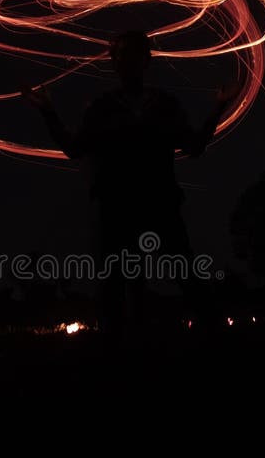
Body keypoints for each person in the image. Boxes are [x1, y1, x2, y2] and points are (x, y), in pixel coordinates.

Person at [22, 29, 237, 351]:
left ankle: (218, 344)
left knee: (186, 275)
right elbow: (74, 147)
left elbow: (193, 145)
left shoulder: (163, 105)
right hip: (115, 205)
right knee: (115, 283)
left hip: (158, 202)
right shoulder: (102, 107)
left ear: (147, 59)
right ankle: (118, 354)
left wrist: (219, 107)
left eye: (134, 53)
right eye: (121, 54)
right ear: (113, 60)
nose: (127, 60)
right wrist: (47, 111)